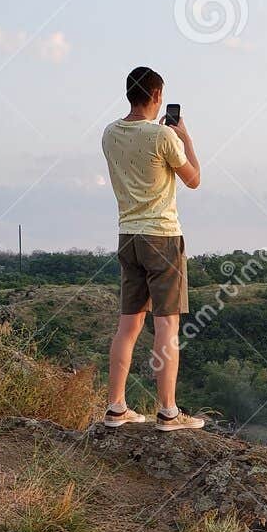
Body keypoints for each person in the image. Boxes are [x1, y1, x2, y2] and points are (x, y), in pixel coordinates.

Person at [100, 65, 205, 430]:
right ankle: (168, 412)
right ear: (157, 95)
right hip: (162, 237)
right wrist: (185, 137)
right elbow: (194, 179)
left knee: (128, 325)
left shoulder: (109, 133)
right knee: (167, 325)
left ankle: (116, 407)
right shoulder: (163, 137)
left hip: (127, 236)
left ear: (129, 93)